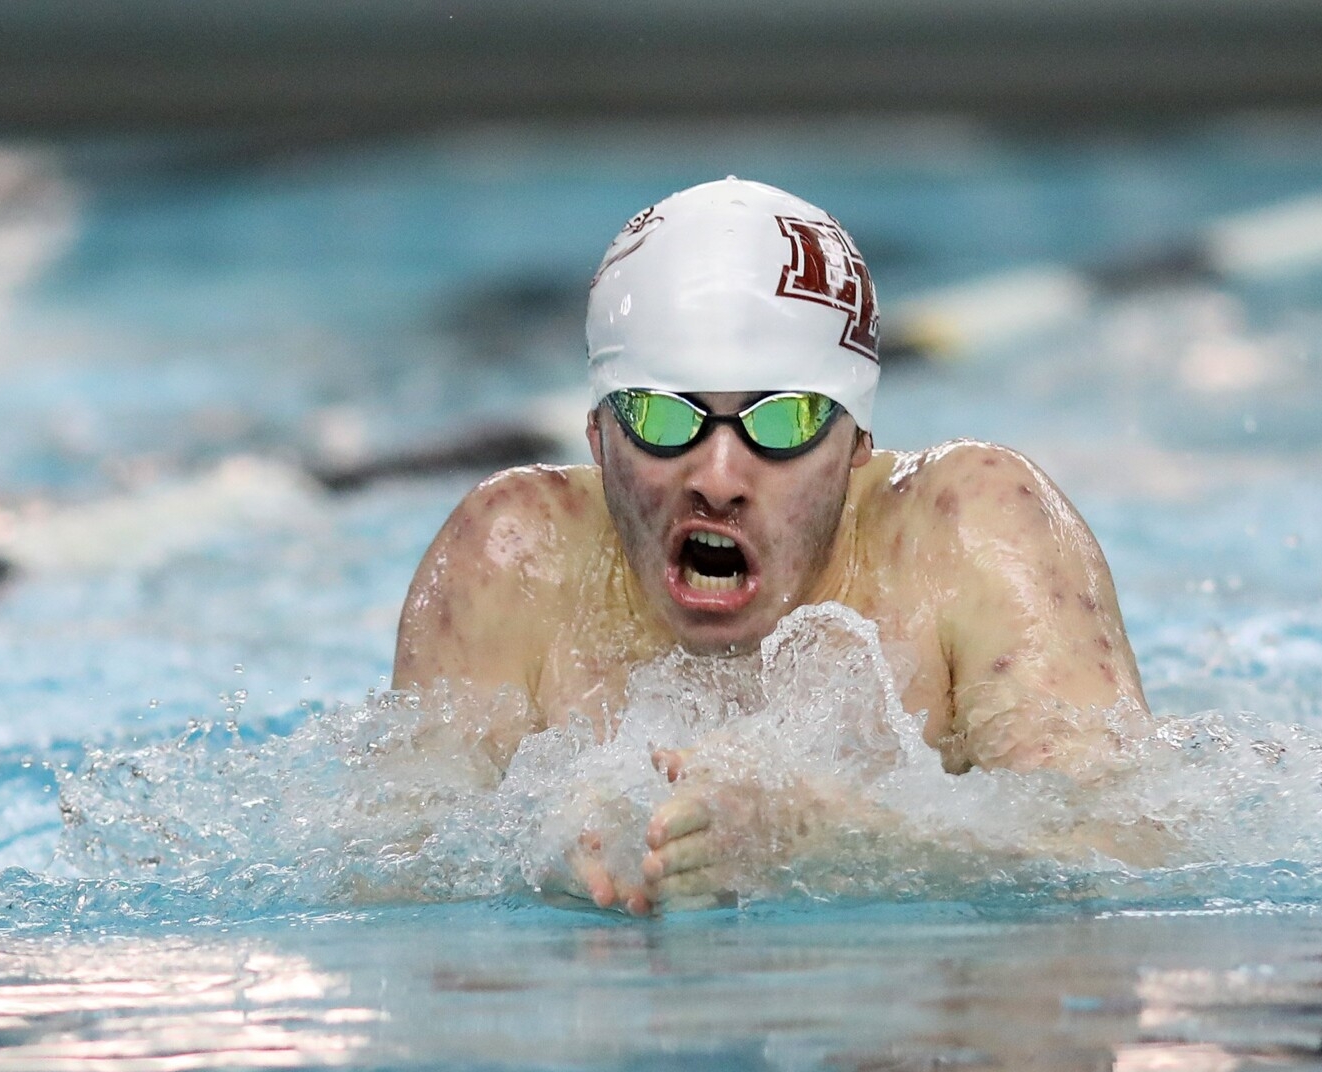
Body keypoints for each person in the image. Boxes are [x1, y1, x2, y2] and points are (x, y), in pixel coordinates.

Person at [394, 178, 1148, 914]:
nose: (718, 477)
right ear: (598, 435)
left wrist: (839, 840)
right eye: (662, 416)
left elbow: (1129, 849)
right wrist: (525, 853)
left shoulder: (969, 531)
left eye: (784, 420)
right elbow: (378, 869)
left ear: (856, 443)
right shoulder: (516, 558)